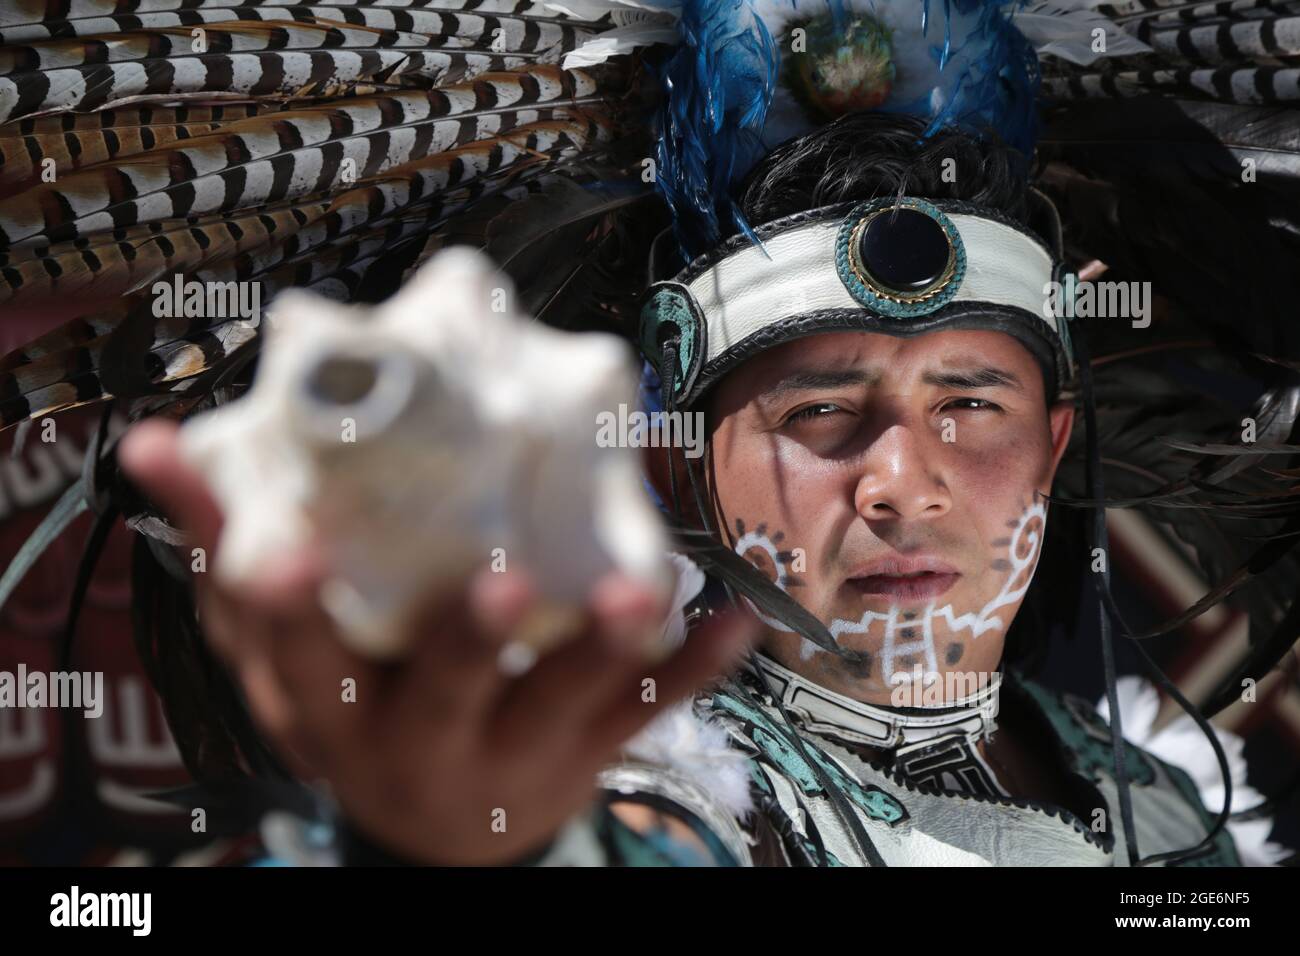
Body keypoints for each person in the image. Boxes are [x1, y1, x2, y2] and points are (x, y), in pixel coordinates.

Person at [117, 109, 1248, 866]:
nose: (901, 483)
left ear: (1052, 447)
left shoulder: (1161, 801)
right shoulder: (674, 787)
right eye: (816, 413)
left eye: (968, 407)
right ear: (688, 463)